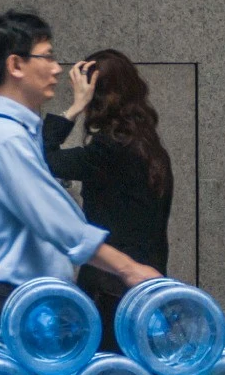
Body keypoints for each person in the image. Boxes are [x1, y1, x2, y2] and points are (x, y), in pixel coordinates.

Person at [0, 11, 160, 344]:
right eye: (47, 57)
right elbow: (58, 222)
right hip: (14, 316)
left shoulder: (14, 134)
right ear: (16, 65)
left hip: (26, 311)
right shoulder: (4, 138)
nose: (56, 68)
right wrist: (128, 268)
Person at [43, 49, 173, 352]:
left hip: (110, 290)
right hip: (146, 283)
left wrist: (73, 108)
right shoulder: (149, 147)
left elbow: (38, 159)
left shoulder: (110, 150)